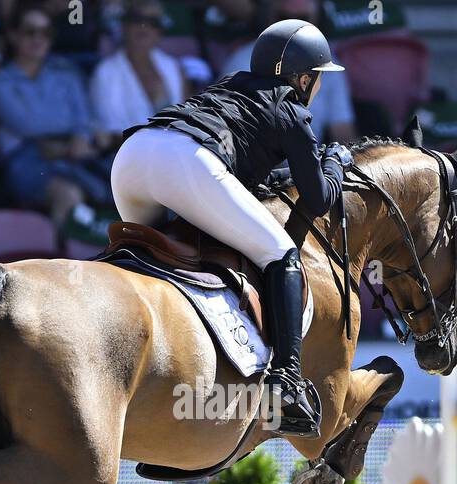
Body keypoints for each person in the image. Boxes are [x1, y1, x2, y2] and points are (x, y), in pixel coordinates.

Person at [111, 18, 350, 438]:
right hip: (186, 162)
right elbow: (319, 199)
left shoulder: (230, 85)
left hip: (133, 156)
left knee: (149, 267)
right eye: (318, 79)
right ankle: (286, 380)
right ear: (305, 78)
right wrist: (334, 161)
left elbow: (243, 167)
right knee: (281, 254)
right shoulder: (292, 110)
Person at [0, 3, 115, 225]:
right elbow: (28, 125)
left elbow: (84, 117)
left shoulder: (66, 71)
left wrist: (80, 137)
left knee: (129, 183)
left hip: (75, 154)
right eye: (30, 31)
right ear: (13, 35)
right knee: (68, 194)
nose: (38, 39)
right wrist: (73, 133)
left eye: (45, 32)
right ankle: (61, 259)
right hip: (27, 160)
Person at [219, 0, 356, 143]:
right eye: (284, 17)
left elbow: (343, 135)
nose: (293, 27)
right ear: (269, 18)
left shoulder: (328, 66)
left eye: (302, 19)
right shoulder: (241, 62)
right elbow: (225, 130)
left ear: (317, 20)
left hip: (310, 158)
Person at [89, 0, 186, 133]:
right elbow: (108, 132)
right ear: (124, 26)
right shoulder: (105, 72)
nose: (144, 27)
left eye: (153, 22)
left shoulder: (174, 67)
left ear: (160, 31)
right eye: (137, 20)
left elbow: (186, 122)